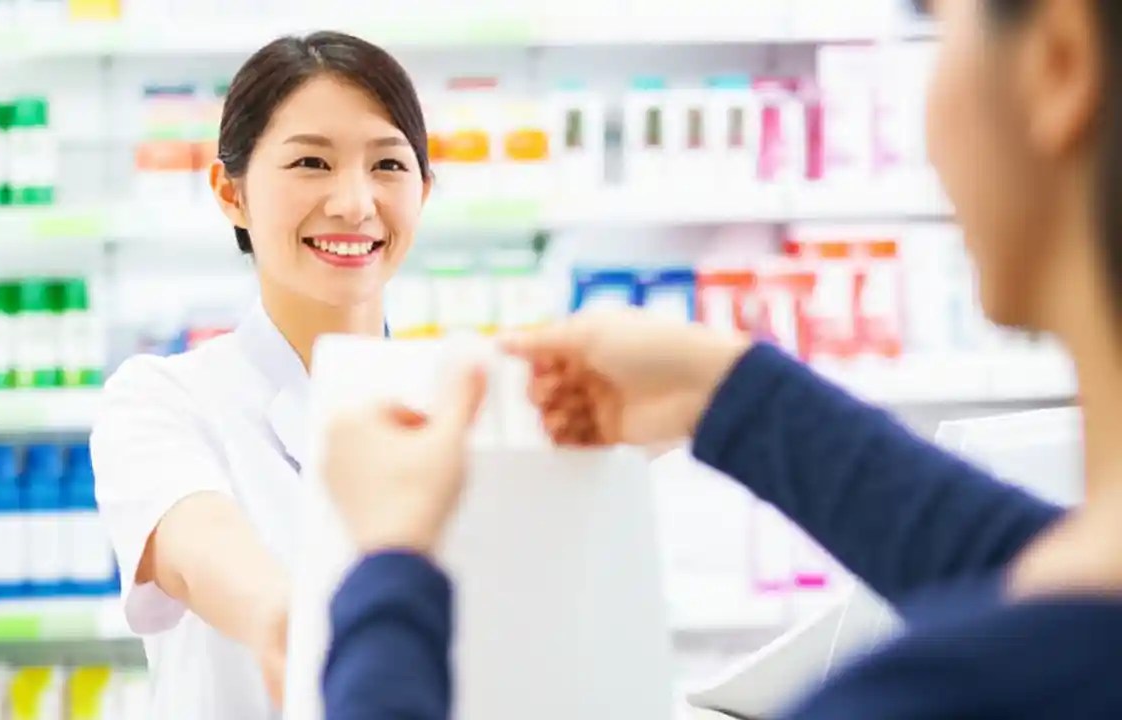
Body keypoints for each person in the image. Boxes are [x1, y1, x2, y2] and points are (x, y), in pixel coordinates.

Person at [316, 0, 1122, 716]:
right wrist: (724, 391)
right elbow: (1036, 585)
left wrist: (390, 563)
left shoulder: (929, 697)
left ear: (1059, 61)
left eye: (937, 30)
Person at [89, 31, 433, 718]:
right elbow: (205, 551)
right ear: (231, 191)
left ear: (423, 190)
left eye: (388, 165)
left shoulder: (458, 401)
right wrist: (288, 628)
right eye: (311, 162)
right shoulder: (162, 400)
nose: (355, 203)